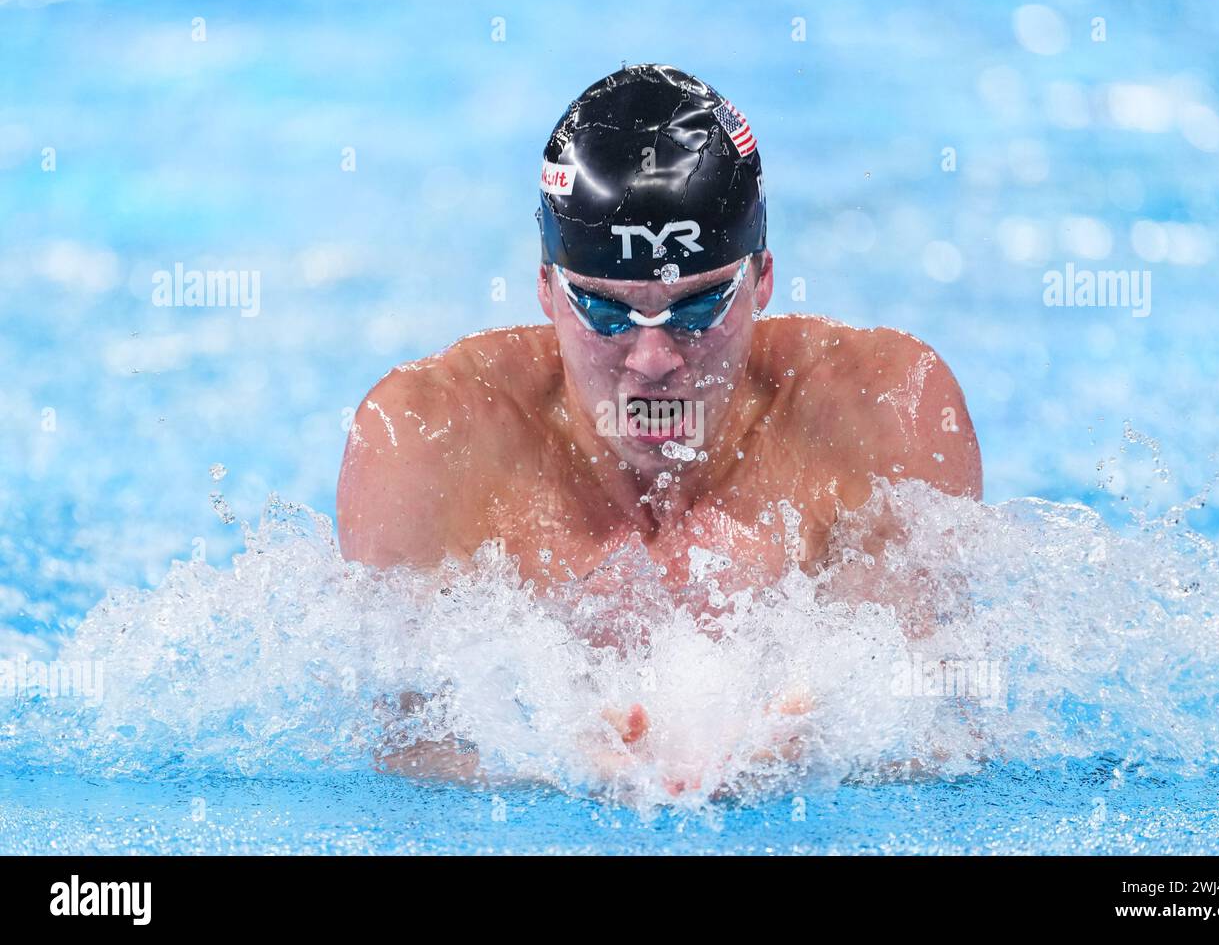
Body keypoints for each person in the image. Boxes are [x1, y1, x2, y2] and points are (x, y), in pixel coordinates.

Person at [337, 64, 981, 783]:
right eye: (607, 312)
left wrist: (827, 733)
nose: (651, 359)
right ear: (547, 288)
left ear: (762, 277)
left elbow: (952, 709)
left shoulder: (885, 412)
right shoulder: (428, 441)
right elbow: (403, 750)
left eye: (697, 308)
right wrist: (541, 765)